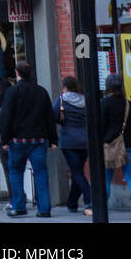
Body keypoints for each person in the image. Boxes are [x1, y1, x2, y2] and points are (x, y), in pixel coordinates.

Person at [0, 61, 57, 218]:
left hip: (18, 140)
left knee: (16, 172)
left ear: (17, 73)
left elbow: (6, 118)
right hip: (39, 139)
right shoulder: (41, 92)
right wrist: (53, 139)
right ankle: (44, 209)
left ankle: (19, 207)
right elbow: (49, 117)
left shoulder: (12, 92)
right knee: (41, 172)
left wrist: (4, 140)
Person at [53, 75, 92, 215]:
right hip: (85, 140)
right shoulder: (85, 100)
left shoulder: (61, 100)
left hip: (69, 141)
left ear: (64, 87)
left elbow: (54, 116)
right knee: (78, 171)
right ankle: (72, 203)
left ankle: (91, 199)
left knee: (76, 172)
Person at [101, 74, 131, 215]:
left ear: (108, 87)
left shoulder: (104, 103)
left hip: (110, 145)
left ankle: (102, 209)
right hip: (129, 143)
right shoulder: (129, 104)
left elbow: (101, 125)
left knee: (106, 178)